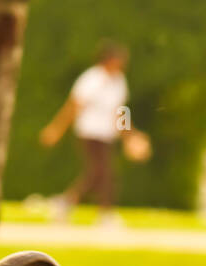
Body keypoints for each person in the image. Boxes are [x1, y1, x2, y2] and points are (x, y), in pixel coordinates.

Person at [39, 40, 147, 224]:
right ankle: (105, 213)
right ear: (109, 60)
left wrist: (131, 136)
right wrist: (56, 129)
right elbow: (73, 107)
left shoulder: (119, 81)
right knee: (103, 172)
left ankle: (66, 203)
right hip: (89, 132)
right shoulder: (91, 80)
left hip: (106, 134)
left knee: (97, 173)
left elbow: (119, 112)